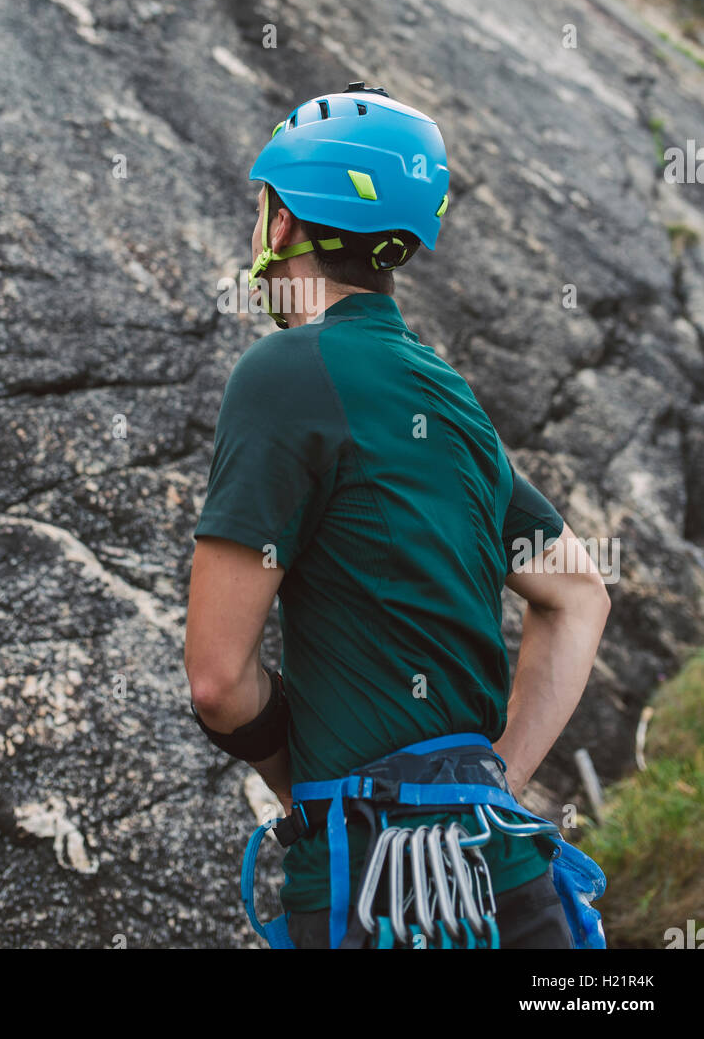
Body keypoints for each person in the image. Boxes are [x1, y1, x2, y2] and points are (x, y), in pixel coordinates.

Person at [184, 84, 611, 949]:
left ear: (287, 225)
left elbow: (218, 683)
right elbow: (577, 594)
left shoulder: (282, 372)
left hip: (379, 893)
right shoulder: (444, 396)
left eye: (263, 203)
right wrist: (489, 784)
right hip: (510, 886)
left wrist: (300, 786)